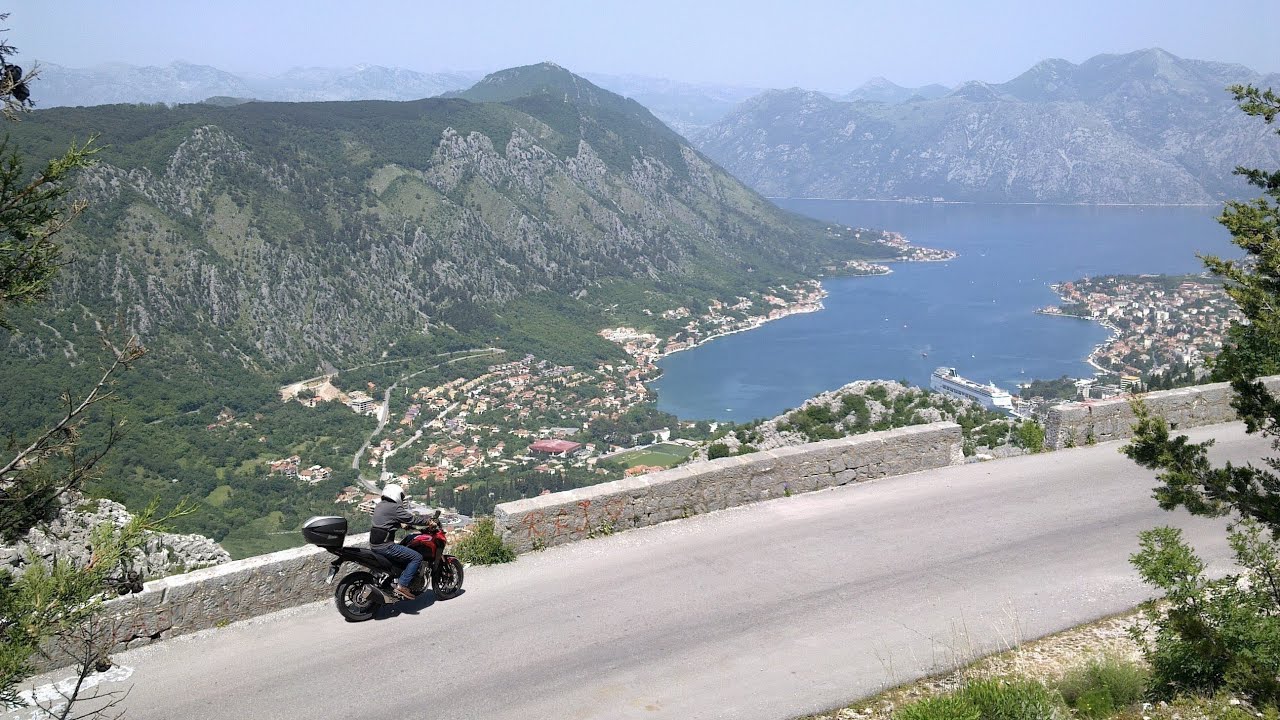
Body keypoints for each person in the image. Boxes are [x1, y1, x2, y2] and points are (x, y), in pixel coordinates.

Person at [369, 483, 433, 600]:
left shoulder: (380, 505)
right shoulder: (394, 507)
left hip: (375, 545)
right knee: (416, 557)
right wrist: (428, 522)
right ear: (395, 494)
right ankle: (402, 585)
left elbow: (386, 521)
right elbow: (412, 519)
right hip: (386, 546)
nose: (402, 499)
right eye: (401, 496)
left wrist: (402, 525)